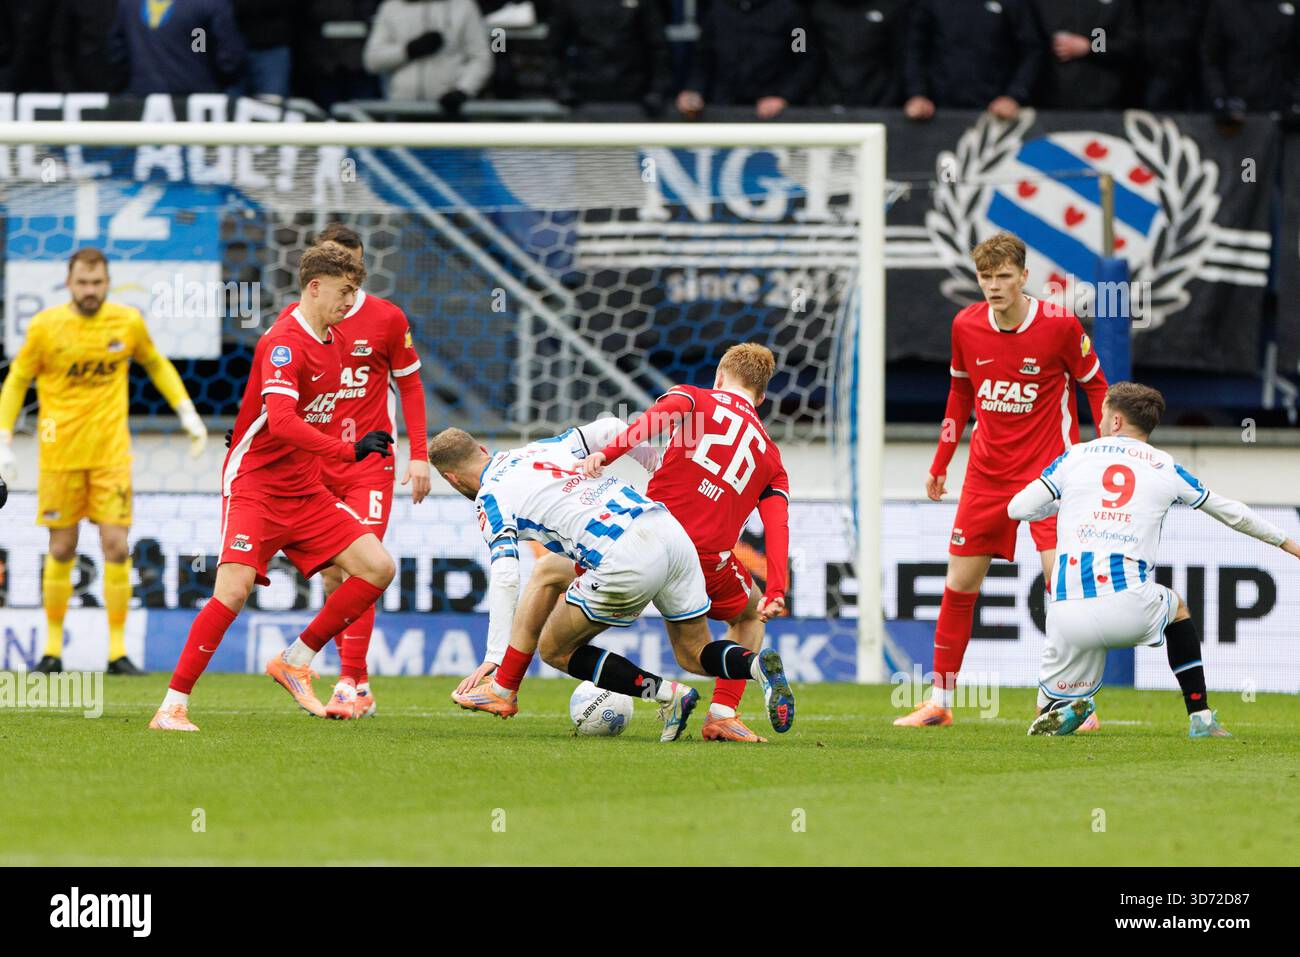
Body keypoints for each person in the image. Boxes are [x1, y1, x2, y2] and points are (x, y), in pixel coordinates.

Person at [456, 344, 791, 743]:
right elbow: (778, 524)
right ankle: (727, 706)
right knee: (738, 623)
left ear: (720, 377)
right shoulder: (772, 458)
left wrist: (608, 454)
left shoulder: (695, 397)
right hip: (703, 558)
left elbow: (653, 420)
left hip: (646, 530)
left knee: (548, 581)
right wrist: (776, 589)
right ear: (763, 397)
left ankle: (505, 684)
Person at [149, 245, 397, 732]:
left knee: (377, 568)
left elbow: (296, 413)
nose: (351, 302)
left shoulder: (337, 339)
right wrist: (346, 451)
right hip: (257, 486)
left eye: (355, 292)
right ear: (314, 286)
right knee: (234, 590)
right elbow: (282, 421)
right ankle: (172, 706)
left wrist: (252, 421)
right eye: (345, 292)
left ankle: (295, 658)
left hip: (304, 487)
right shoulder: (284, 341)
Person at [894, 231, 1109, 728]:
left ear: (1023, 276)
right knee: (958, 586)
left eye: (1003, 276)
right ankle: (940, 703)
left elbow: (1096, 386)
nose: (994, 286)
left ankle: (1070, 701)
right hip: (986, 477)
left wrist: (1100, 454)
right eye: (986, 277)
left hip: (1051, 475)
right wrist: (940, 461)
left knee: (1065, 588)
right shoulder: (966, 325)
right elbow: (959, 395)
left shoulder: (1059, 326)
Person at [1009, 382, 1300, 737]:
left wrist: (1066, 503)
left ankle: (1064, 705)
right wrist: (1286, 542)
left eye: (1102, 414)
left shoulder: (1076, 456)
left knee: (1048, 701)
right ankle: (1201, 717)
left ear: (1115, 421)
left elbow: (1017, 508)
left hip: (1066, 614)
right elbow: (1230, 512)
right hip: (1128, 609)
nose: (1099, 420)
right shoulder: (1165, 466)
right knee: (1177, 608)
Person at [0, 248, 208, 675]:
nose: (90, 290)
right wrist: (3, 438)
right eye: (83, 282)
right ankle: (52, 651)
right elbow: (18, 377)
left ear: (107, 282)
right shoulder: (45, 327)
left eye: (97, 283)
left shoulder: (127, 321)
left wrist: (187, 412)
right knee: (61, 548)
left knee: (115, 546)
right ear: (69, 282)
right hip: (59, 456)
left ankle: (117, 652)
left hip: (111, 455)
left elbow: (156, 363)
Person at [291, 224, 428, 719]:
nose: (348, 279)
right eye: (338, 270)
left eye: (354, 269)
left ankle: (347, 681)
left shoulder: (387, 319)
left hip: (369, 463)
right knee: (333, 576)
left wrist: (419, 454)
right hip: (317, 462)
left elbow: (410, 385)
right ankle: (361, 681)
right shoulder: (297, 322)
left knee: (363, 564)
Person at [902, 0, 1042, 122]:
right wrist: (917, 94)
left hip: (996, 111)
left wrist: (1014, 96)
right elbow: (914, 49)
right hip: (938, 112)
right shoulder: (931, 3)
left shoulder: (1013, 2)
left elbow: (1031, 50)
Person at [676, 0, 816, 120]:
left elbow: (806, 60)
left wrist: (784, 97)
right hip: (723, 110)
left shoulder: (792, 12)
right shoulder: (717, 10)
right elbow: (702, 59)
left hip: (775, 115)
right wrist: (694, 91)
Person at [362, 0, 492, 116]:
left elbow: (481, 58)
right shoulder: (391, 7)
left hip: (450, 111)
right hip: (403, 110)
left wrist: (462, 90)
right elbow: (372, 60)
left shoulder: (463, 6)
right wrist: (408, 50)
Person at [548, 0, 672, 115]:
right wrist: (563, 91)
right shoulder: (570, 2)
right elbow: (552, 50)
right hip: (583, 98)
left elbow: (659, 47)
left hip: (637, 98)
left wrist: (657, 92)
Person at [107, 0, 246, 96]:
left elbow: (116, 51)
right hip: (196, 96)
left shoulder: (128, 3)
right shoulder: (207, 4)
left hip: (144, 96)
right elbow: (229, 57)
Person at [1029, 0, 1138, 110]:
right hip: (1049, 98)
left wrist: (1090, 46)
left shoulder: (1116, 4)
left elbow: (1128, 44)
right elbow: (1027, 43)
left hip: (1102, 99)